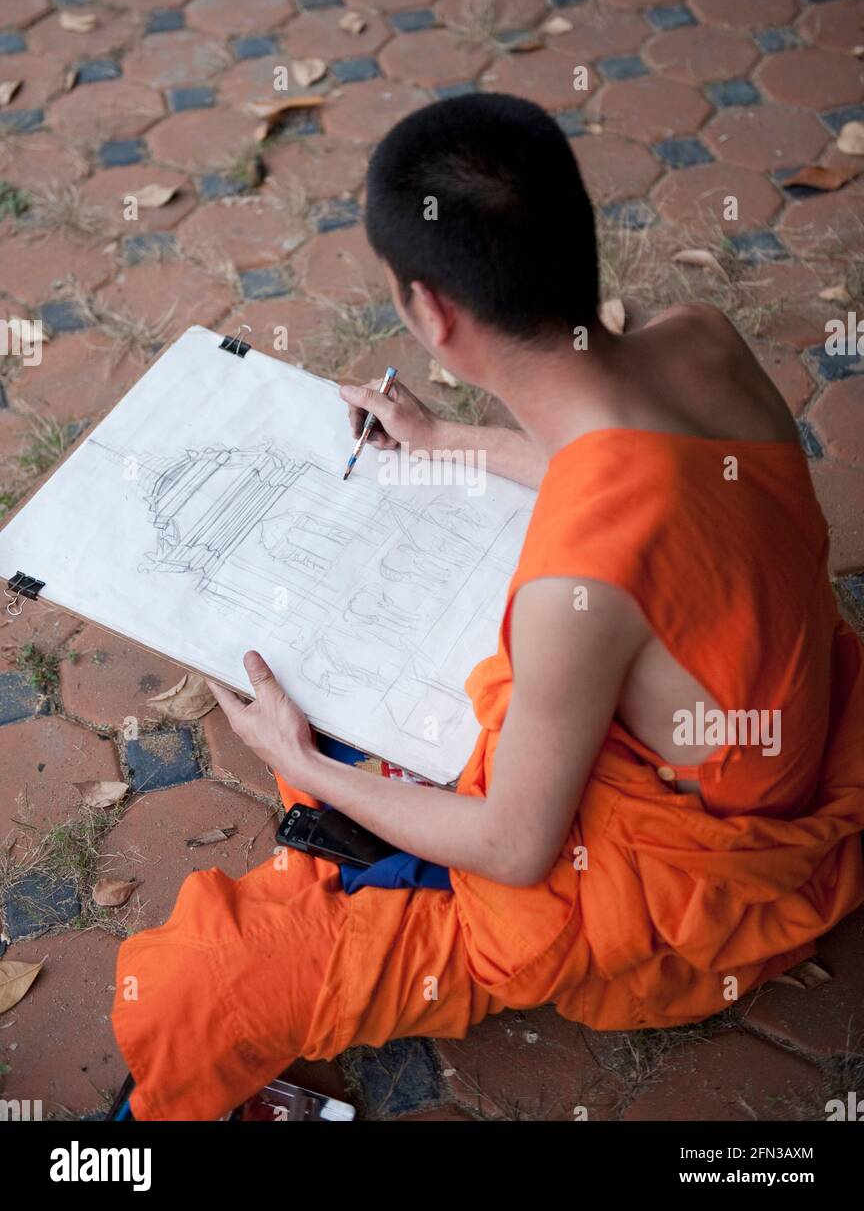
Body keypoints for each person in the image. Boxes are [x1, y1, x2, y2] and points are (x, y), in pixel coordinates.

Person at [111, 93, 864, 1120]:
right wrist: (439, 441)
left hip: (694, 855)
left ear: (431, 313)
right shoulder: (702, 336)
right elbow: (603, 452)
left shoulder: (580, 582)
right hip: (767, 711)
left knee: (196, 989)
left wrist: (308, 761)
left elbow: (514, 847)